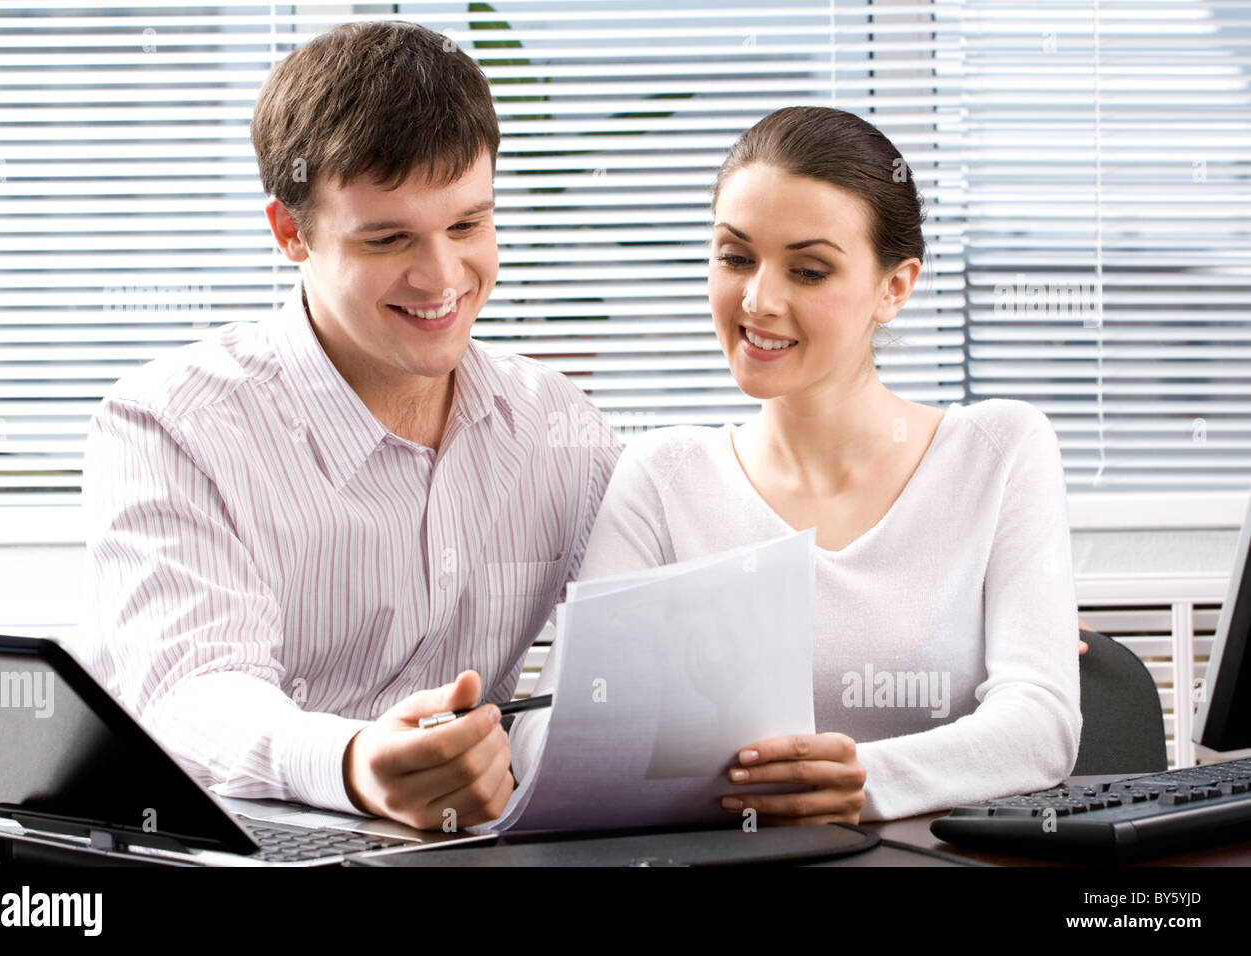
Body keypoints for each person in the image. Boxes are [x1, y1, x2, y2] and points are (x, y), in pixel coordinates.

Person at [78, 20, 620, 831]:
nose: (443, 278)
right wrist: (355, 762)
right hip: (254, 850)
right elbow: (190, 694)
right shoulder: (171, 425)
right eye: (390, 238)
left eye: (468, 225)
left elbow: (639, 668)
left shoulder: (557, 426)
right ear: (291, 232)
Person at [511, 106, 1082, 824]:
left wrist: (863, 779)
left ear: (894, 288)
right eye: (735, 256)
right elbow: (544, 739)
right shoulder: (663, 476)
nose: (759, 300)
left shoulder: (998, 451)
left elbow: (1042, 725)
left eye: (808, 270)